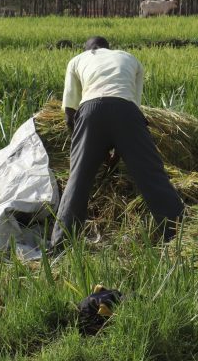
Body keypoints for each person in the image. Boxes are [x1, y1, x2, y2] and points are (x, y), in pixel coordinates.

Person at [50, 36, 185, 250]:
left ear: (88, 49)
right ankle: (178, 236)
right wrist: (119, 149)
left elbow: (69, 113)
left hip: (90, 111)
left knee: (78, 180)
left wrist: (87, 148)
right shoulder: (131, 59)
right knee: (152, 175)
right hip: (127, 112)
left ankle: (60, 245)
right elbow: (133, 108)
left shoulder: (77, 60)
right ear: (108, 48)